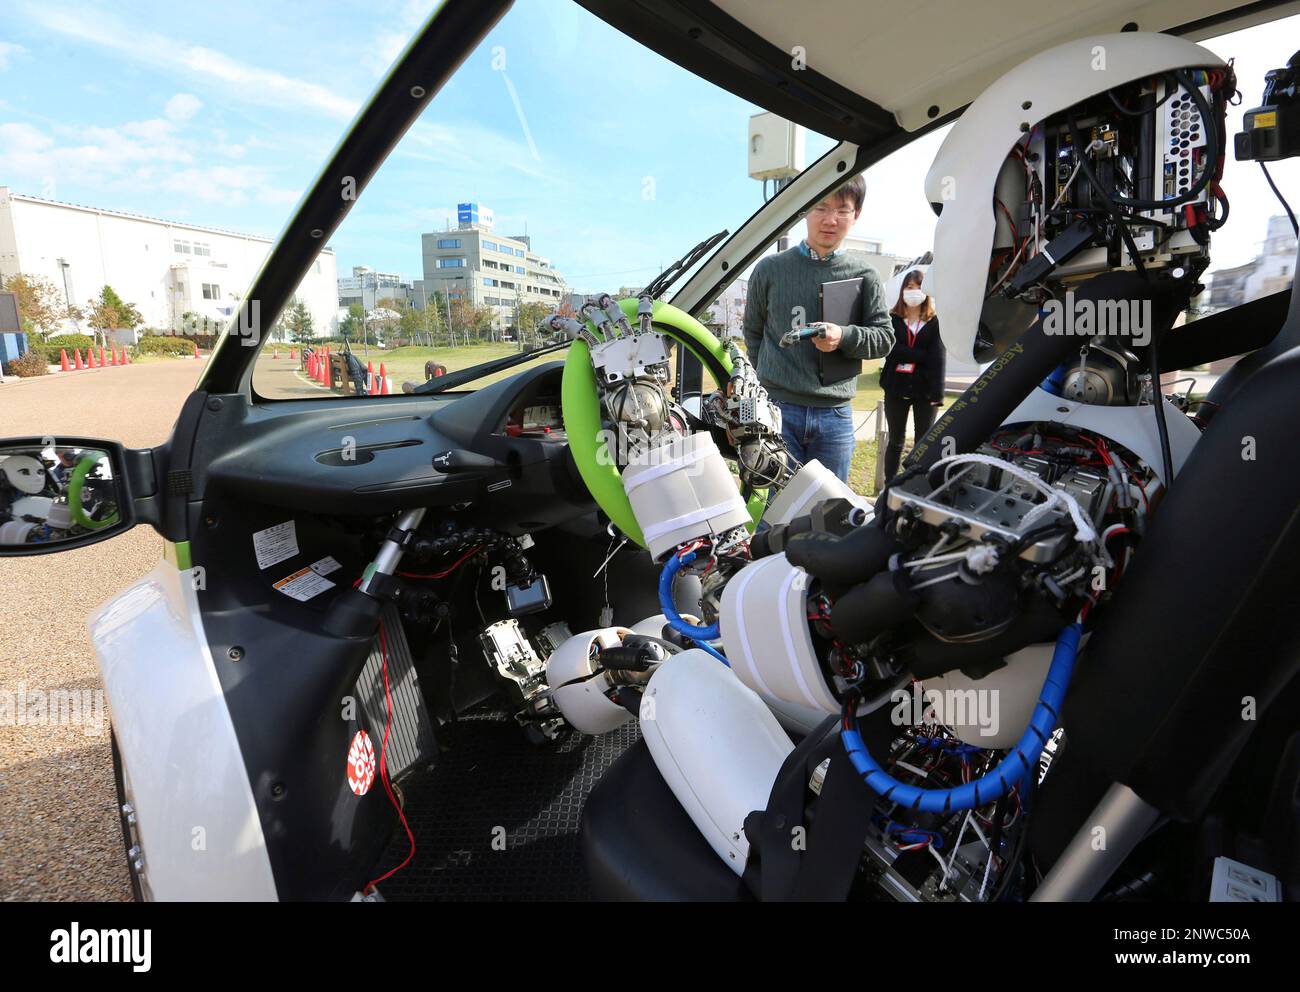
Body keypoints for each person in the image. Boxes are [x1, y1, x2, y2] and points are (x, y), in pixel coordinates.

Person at [742, 175, 894, 482]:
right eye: (821, 207)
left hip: (835, 415)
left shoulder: (865, 275)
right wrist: (771, 380)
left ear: (856, 214)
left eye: (842, 210)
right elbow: (753, 333)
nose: (830, 219)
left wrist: (844, 336)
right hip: (778, 410)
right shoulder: (770, 269)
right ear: (805, 209)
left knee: (828, 503)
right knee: (777, 502)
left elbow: (884, 338)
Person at [879, 269, 945, 479]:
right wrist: (923, 355)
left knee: (922, 444)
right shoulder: (892, 319)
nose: (914, 292)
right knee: (895, 441)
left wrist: (938, 394)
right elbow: (891, 350)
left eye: (919, 288)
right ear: (902, 291)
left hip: (925, 391)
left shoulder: (934, 322)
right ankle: (889, 486)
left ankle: (913, 484)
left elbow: (938, 358)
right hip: (895, 388)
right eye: (909, 287)